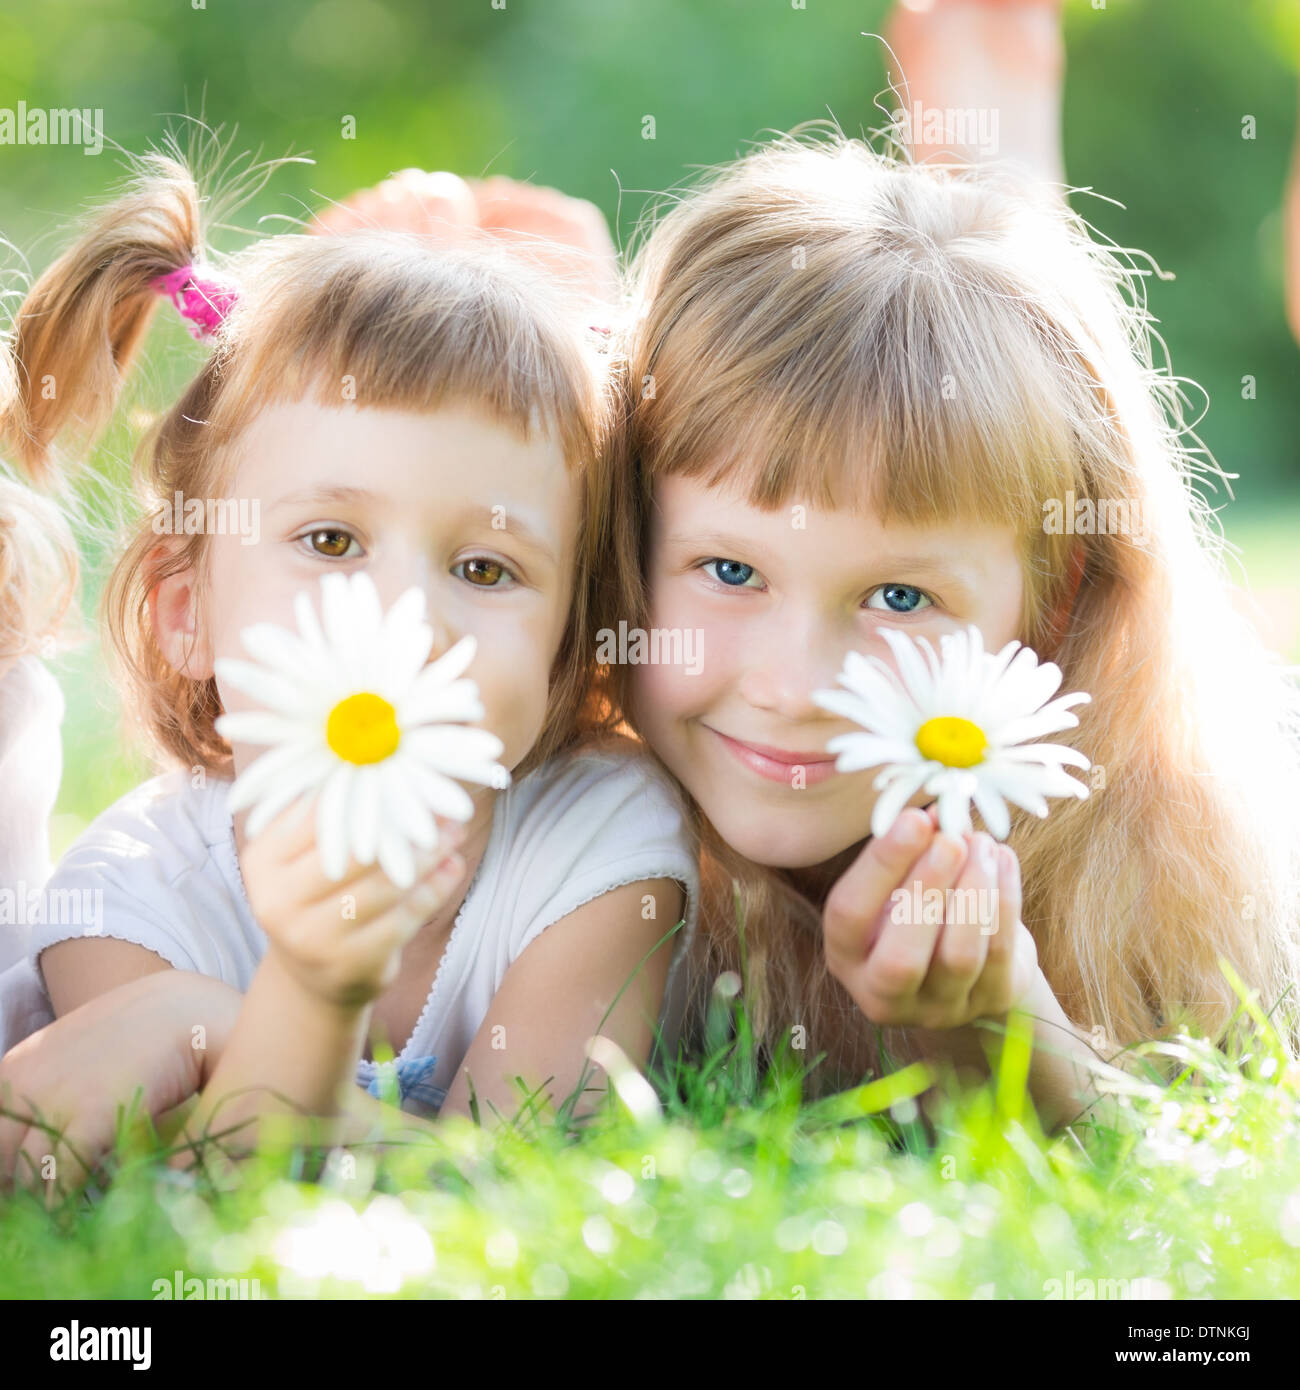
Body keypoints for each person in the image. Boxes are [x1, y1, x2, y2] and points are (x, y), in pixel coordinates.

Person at [1, 146, 697, 1188]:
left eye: (484, 565)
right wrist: (310, 986)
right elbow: (204, 1206)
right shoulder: (131, 898)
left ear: (566, 656)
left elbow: (519, 1187)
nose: (401, 617)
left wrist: (241, 1031)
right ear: (185, 613)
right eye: (329, 542)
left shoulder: (598, 844)